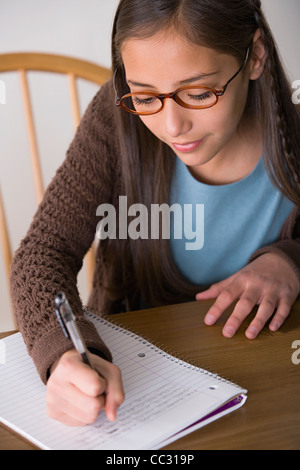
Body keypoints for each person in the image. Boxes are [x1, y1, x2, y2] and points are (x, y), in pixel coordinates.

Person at [10, 0, 300, 427]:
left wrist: (289, 259)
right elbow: (42, 254)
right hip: (136, 383)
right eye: (144, 97)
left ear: (254, 56)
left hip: (268, 380)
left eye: (199, 93)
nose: (171, 126)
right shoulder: (113, 123)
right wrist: (64, 355)